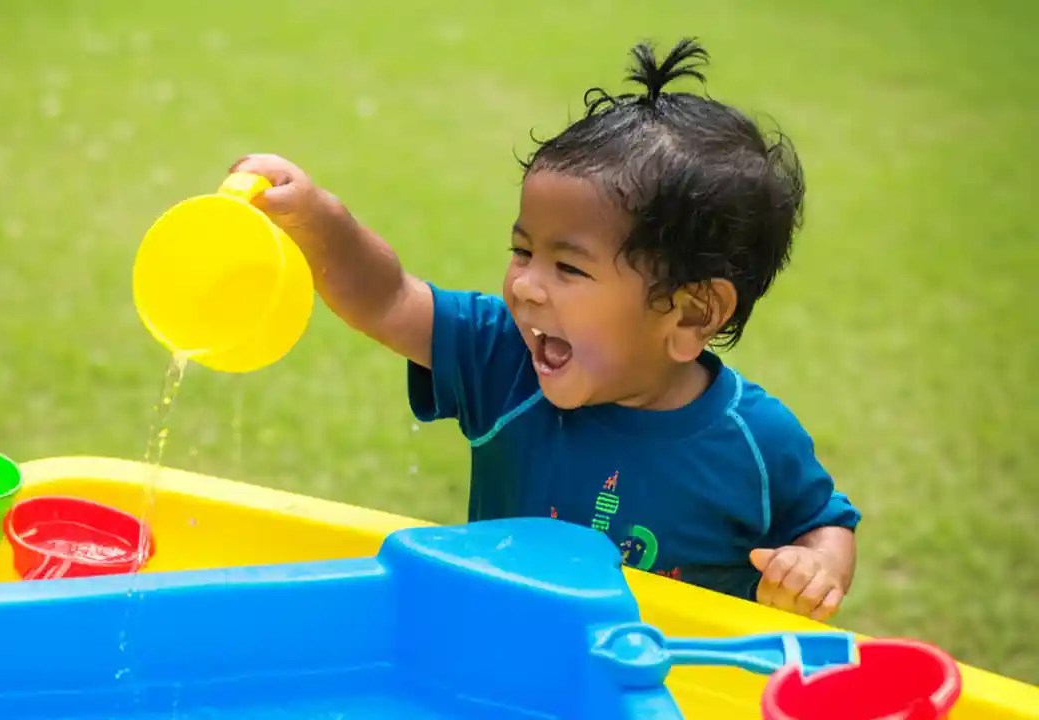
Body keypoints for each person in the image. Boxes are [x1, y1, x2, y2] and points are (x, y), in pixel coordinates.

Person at [229, 37, 860, 621]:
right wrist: (320, 221)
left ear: (692, 313)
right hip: (507, 665)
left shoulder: (752, 440)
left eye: (568, 266)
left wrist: (816, 566)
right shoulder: (505, 360)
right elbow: (389, 299)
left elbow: (822, 522)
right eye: (522, 250)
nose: (526, 285)